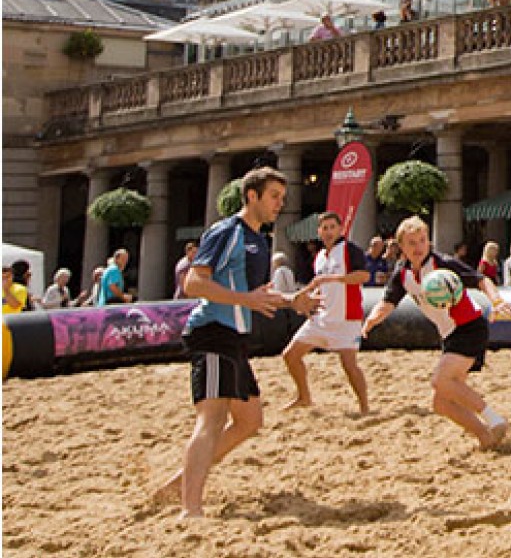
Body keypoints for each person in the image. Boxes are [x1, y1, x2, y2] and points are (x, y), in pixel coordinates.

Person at [155, 166, 319, 517]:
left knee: (250, 421)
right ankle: (191, 509)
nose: (280, 203)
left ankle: (180, 482)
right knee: (211, 420)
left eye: (282, 198)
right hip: (212, 332)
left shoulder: (260, 240)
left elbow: (255, 295)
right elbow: (195, 284)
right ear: (252, 196)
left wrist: (293, 302)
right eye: (274, 197)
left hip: (235, 339)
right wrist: (245, 300)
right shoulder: (226, 231)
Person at [364, 215, 511, 449]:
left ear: (429, 242)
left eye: (422, 240)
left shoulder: (443, 264)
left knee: (440, 380)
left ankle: (495, 419)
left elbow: (481, 280)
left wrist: (497, 301)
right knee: (441, 404)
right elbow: (388, 302)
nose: (418, 247)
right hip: (450, 335)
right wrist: (372, 319)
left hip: (469, 327)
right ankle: (485, 438)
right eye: (412, 243)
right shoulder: (402, 274)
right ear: (401, 247)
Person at [281, 211, 372, 414]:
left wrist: (334, 279)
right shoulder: (320, 257)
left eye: (332, 227)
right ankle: (304, 397)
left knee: (349, 365)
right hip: (321, 317)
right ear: (319, 231)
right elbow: (318, 284)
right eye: (325, 228)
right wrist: (305, 299)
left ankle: (365, 406)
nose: (329, 231)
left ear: (340, 229)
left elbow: (363, 276)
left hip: (347, 318)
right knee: (290, 355)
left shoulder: (350, 250)